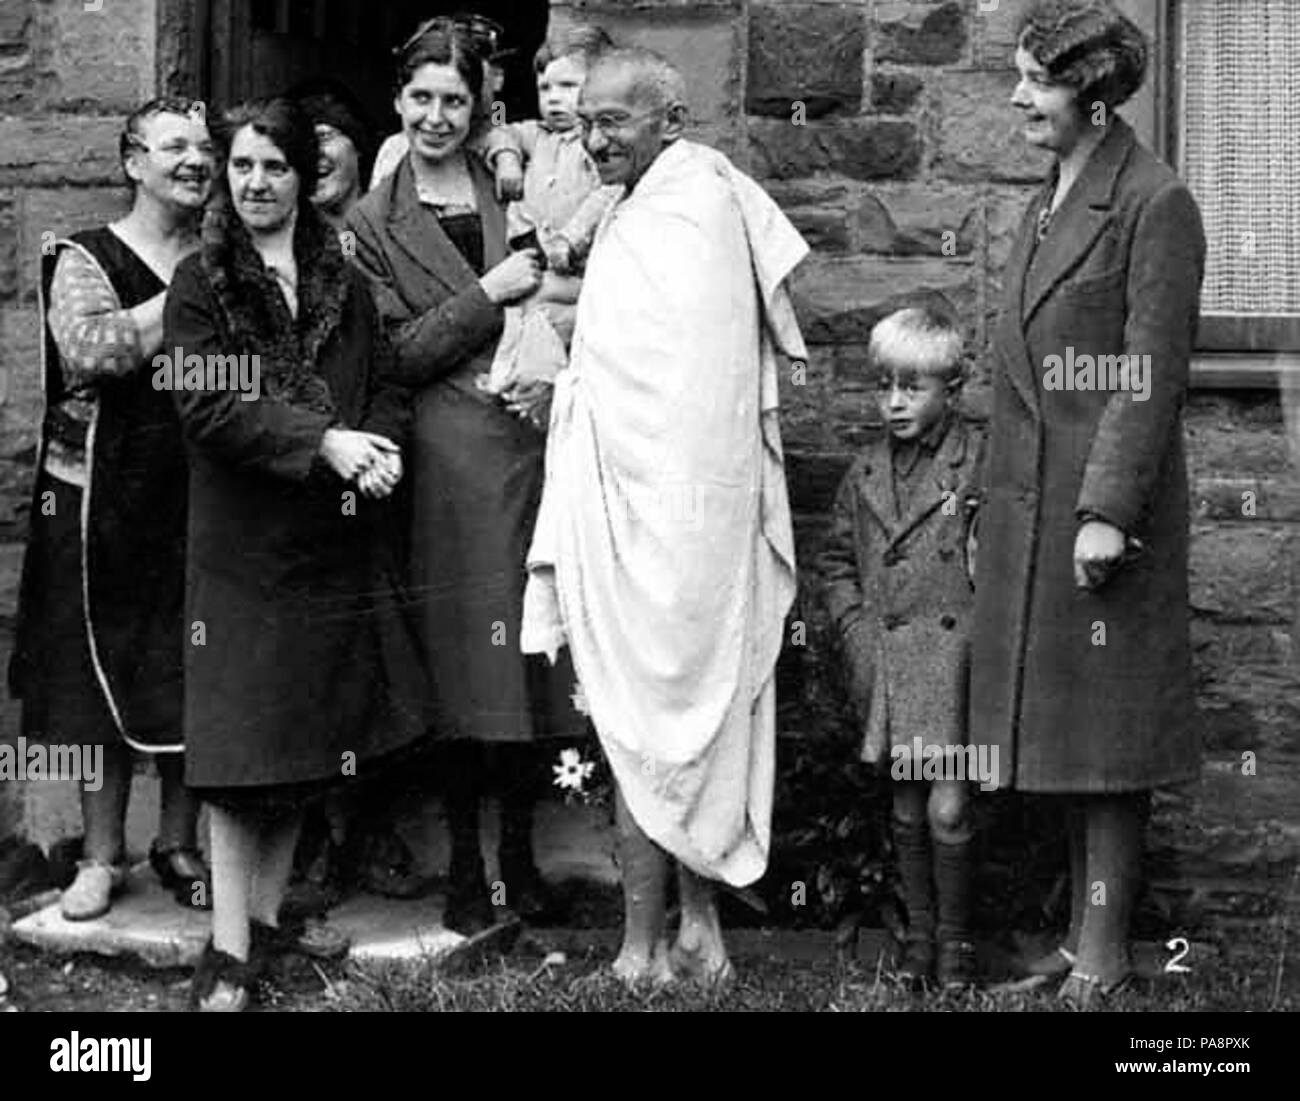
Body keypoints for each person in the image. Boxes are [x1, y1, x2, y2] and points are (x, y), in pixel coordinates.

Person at [521, 47, 807, 987]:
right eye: (585, 120)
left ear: (670, 122)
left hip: (684, 516)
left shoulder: (698, 211)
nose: (593, 138)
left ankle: (679, 937)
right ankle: (661, 937)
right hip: (628, 506)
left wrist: (576, 393)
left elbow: (691, 384)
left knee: (675, 707)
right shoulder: (640, 202)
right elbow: (616, 353)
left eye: (615, 122)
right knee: (635, 711)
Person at [165, 97, 426, 1011]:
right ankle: (226, 952)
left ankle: (267, 928)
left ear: (304, 179)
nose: (255, 184)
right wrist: (321, 441)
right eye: (240, 167)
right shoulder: (206, 285)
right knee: (240, 758)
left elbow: (386, 380)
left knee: (304, 748)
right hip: (245, 552)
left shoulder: (340, 279)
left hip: (329, 545)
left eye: (273, 167)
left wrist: (381, 445)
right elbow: (207, 404)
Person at [971, 0, 1205, 1009]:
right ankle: (1080, 944)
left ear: (1095, 91)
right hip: (1031, 505)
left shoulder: (1155, 202)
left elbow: (1147, 375)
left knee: (1107, 746)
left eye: (1038, 79)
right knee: (1063, 738)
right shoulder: (1045, 199)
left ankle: (1104, 956)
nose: (1020, 97)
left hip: (1102, 511)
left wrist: (1107, 507)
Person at [346, 22, 585, 935]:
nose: (438, 116)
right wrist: (490, 291)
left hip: (529, 440)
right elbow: (395, 352)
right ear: (397, 102)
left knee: (528, 655)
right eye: (421, 99)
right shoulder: (371, 222)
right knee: (462, 659)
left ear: (482, 102)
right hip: (447, 452)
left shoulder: (513, 182)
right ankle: (464, 869)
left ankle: (520, 857)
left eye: (456, 99)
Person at [8, 98, 215, 921]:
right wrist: (190, 304)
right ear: (133, 161)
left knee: (192, 665)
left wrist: (178, 367)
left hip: (196, 492)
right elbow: (91, 351)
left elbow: (241, 374)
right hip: (95, 501)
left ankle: (177, 841)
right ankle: (99, 855)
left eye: (206, 148)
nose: (196, 161)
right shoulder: (84, 256)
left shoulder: (224, 254)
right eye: (175, 147)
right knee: (94, 679)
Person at [818, 307, 984, 990]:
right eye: (883, 385)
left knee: (950, 806)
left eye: (912, 387)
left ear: (953, 386)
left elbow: (1008, 550)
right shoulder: (864, 472)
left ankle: (957, 947)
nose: (892, 403)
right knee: (908, 807)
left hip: (958, 659)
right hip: (889, 659)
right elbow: (834, 561)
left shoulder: (979, 459)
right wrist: (855, 627)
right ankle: (918, 943)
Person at [478, 23, 622, 397]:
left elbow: (606, 194)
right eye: (545, 88)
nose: (554, 99)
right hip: (537, 255)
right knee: (520, 304)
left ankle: (537, 381)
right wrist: (508, 160)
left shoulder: (597, 144)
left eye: (567, 87)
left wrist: (570, 239)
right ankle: (514, 375)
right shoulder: (537, 134)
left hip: (578, 266)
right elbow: (498, 131)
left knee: (539, 307)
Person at [369, 13, 512, 190]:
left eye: (471, 67)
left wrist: (506, 147)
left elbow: (499, 119)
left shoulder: (511, 140)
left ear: (498, 77)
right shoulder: (398, 148)